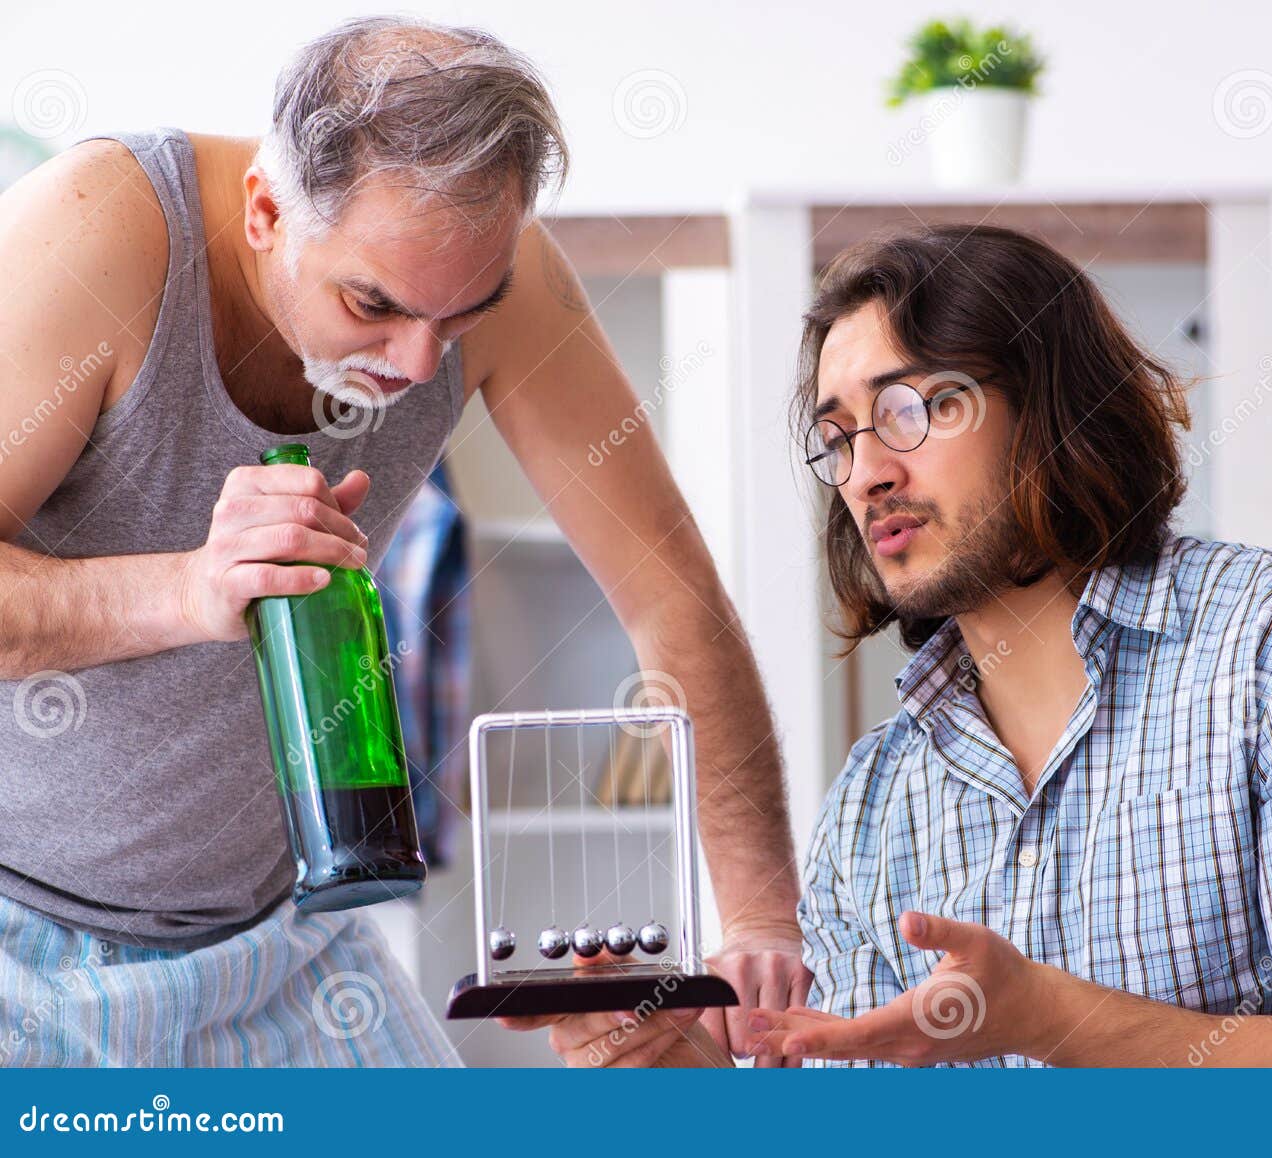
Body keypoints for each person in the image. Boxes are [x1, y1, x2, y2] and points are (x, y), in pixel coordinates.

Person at [516, 224, 1272, 1068]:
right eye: (839, 437)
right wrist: (683, 1077)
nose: (865, 472)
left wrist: (1054, 1019)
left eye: (912, 409)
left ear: (1051, 402)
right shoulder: (875, 801)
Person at [0, 16, 805, 1066]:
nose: (419, 367)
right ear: (265, 211)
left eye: (460, 318)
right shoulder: (93, 232)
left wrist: (760, 921)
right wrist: (188, 592)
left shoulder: (493, 281)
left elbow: (671, 596)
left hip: (277, 943)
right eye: (370, 303)